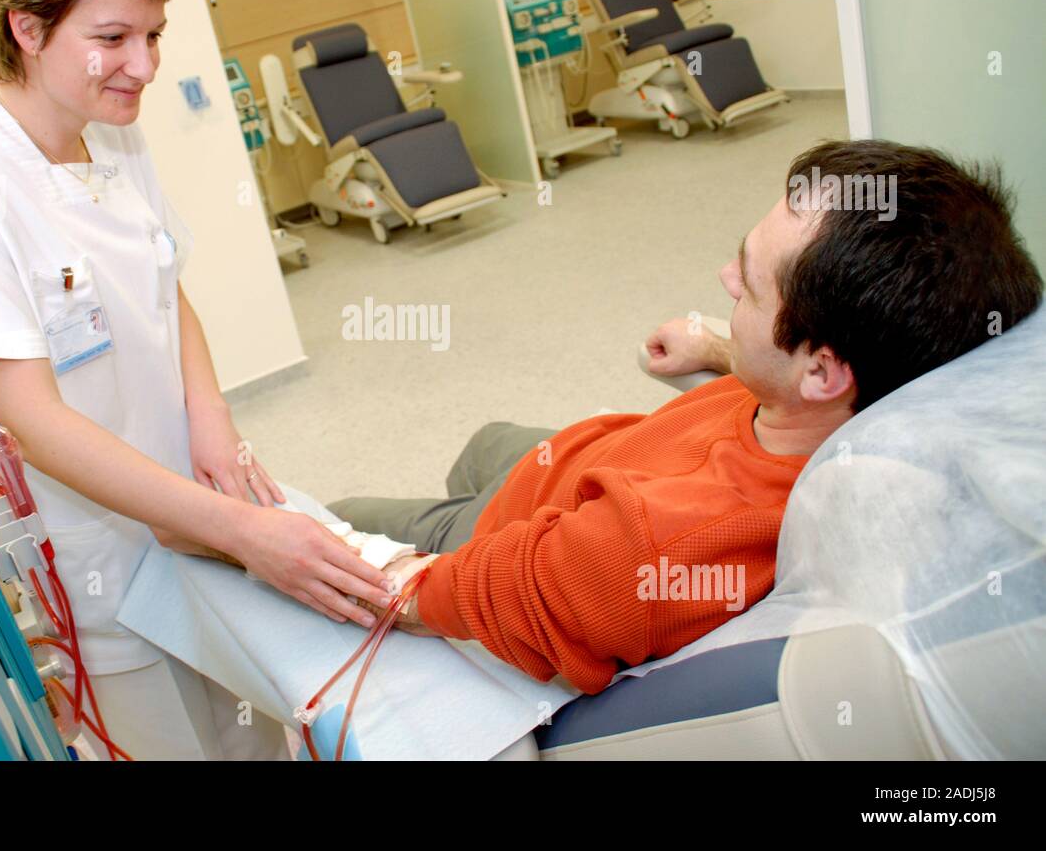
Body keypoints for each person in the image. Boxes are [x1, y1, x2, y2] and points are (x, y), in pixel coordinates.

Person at [0, 0, 389, 760]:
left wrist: (214, 429)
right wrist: (238, 532)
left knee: (256, 727)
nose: (144, 64)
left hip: (182, 500)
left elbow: (168, 286)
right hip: (80, 540)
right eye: (114, 38)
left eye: (154, 36)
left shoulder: (110, 136)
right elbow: (29, 414)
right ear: (28, 28)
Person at [328, 139, 1044, 694]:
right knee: (484, 440)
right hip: (588, 453)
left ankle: (428, 518)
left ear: (821, 371)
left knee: (339, 513)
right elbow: (777, 369)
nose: (725, 280)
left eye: (749, 284)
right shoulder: (862, 388)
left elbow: (483, 593)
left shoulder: (649, 545)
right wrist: (714, 345)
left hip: (513, 529)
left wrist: (360, 578)